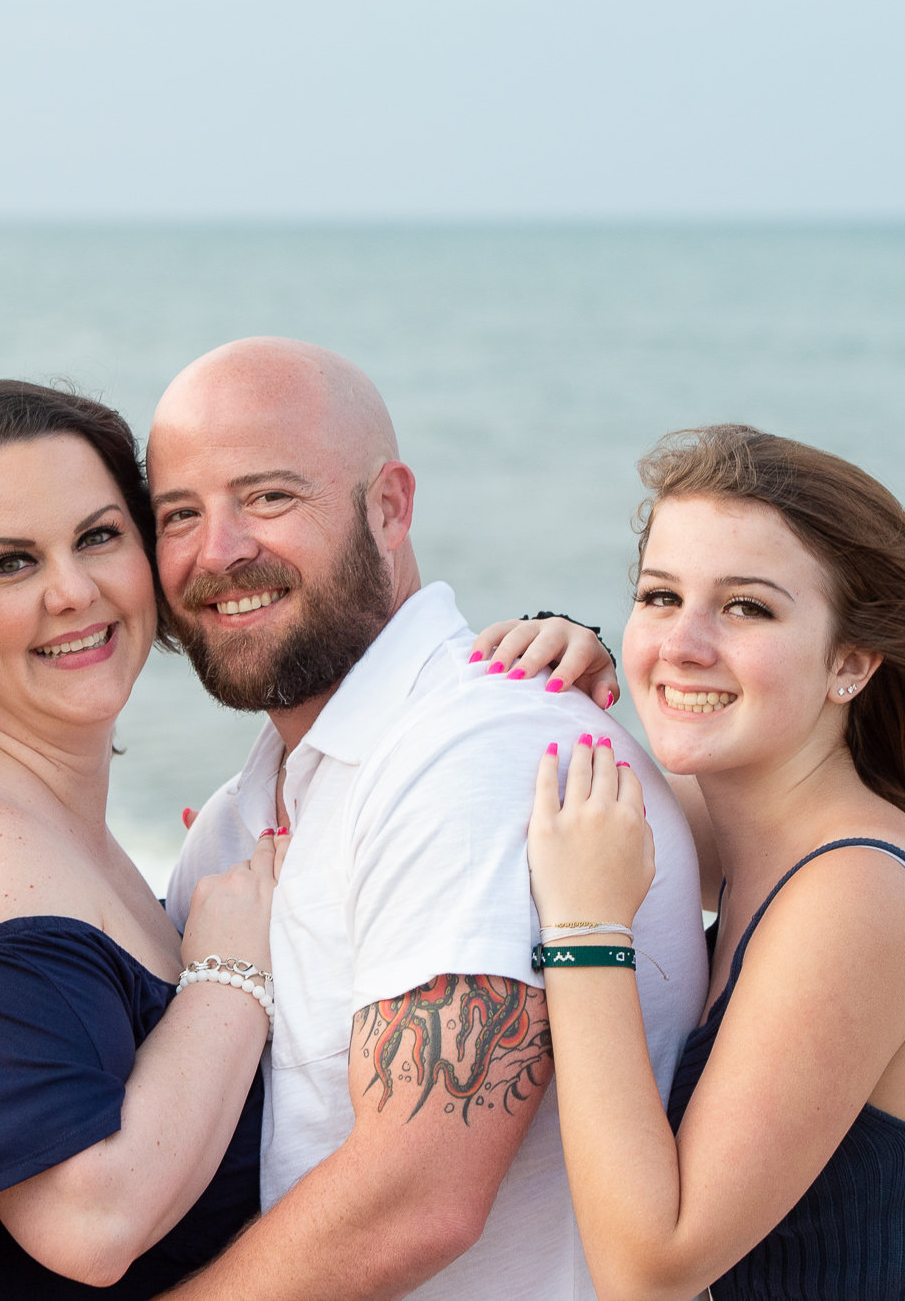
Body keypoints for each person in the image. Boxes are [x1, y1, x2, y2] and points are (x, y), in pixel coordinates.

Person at [0, 380, 619, 1299]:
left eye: (99, 537)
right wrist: (228, 977)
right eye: (10, 563)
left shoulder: (96, 829)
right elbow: (91, 1222)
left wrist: (503, 669)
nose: (73, 592)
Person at [151, 338, 708, 1301]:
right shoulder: (252, 812)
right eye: (179, 515)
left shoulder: (475, 750)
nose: (221, 549)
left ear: (390, 507)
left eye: (270, 497)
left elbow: (419, 1198)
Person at [523, 424, 905, 1300]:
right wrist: (542, 671)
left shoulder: (854, 895)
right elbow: (600, 798)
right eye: (658, 597)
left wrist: (586, 931)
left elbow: (650, 1269)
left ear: (850, 662)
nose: (683, 643)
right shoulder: (752, 825)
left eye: (747, 607)